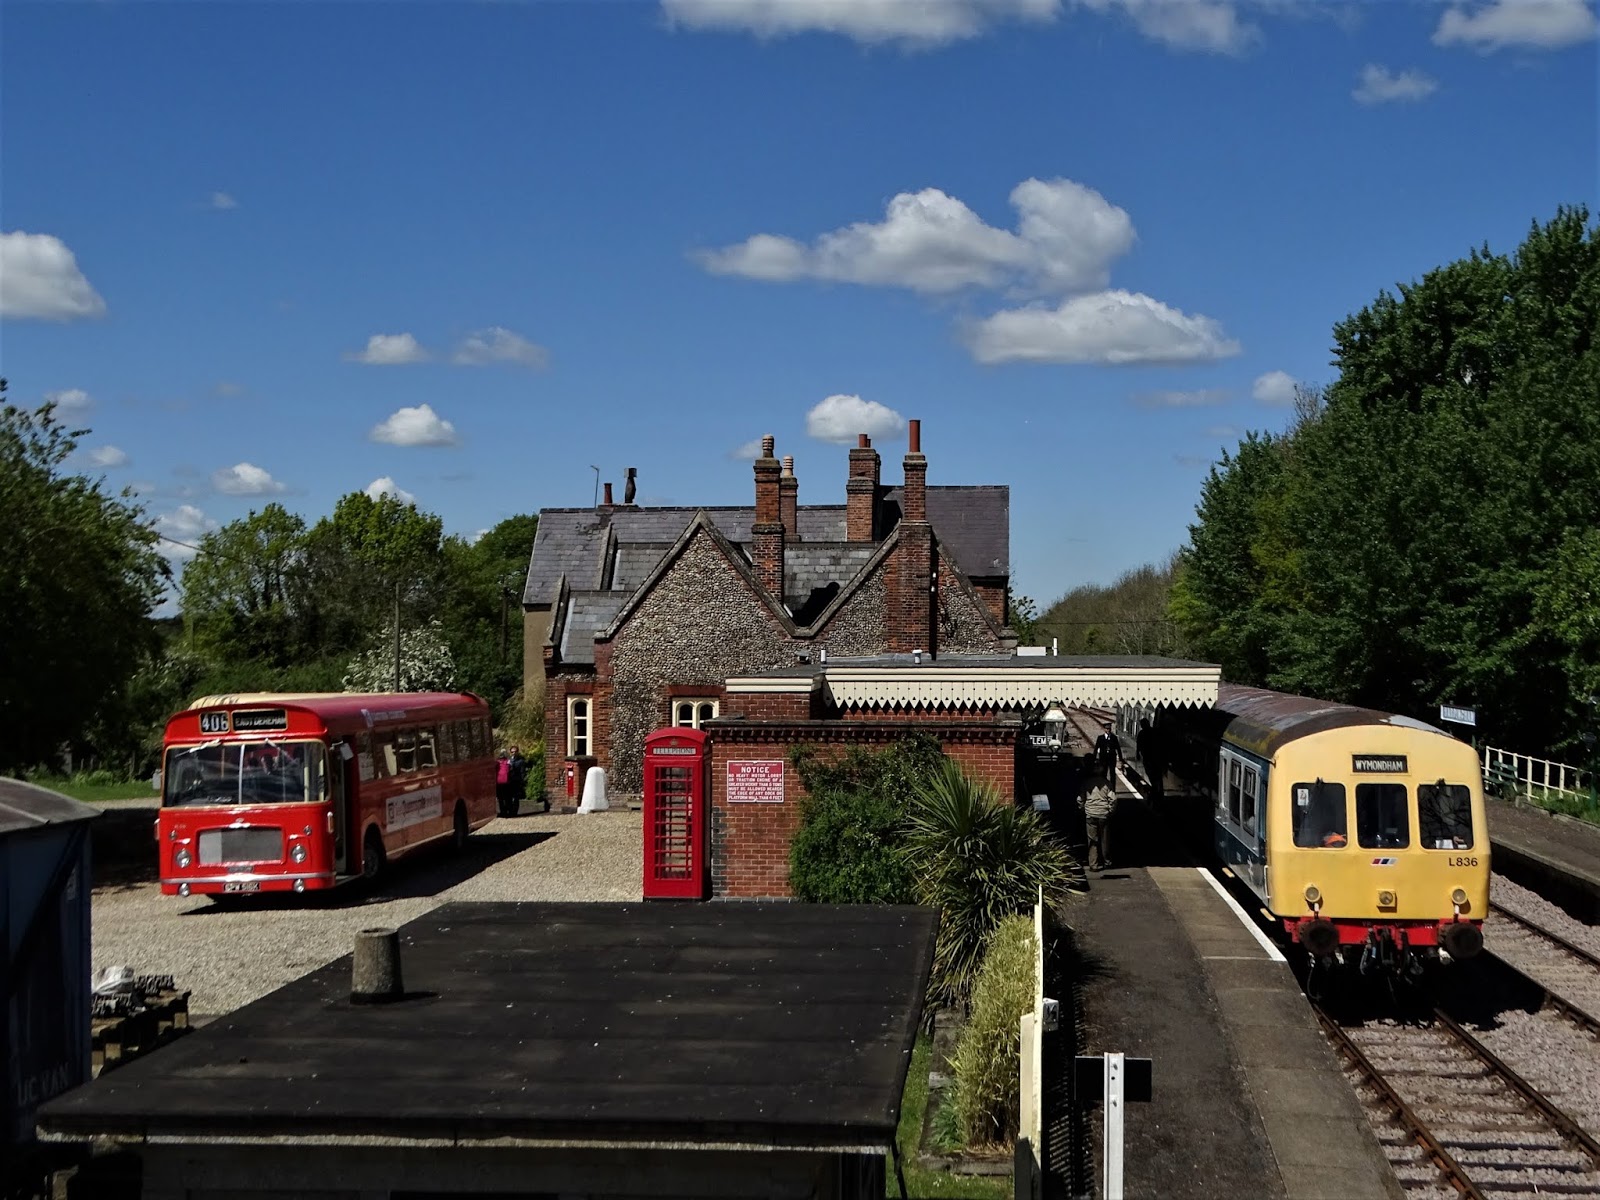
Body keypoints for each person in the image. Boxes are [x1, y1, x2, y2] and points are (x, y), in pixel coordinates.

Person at [1080, 766, 1118, 873]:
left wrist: (1083, 808)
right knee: (1105, 839)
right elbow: (1113, 799)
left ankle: (1093, 864)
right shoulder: (1107, 783)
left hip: (1090, 814)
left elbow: (1080, 799)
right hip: (1103, 814)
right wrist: (1110, 810)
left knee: (1092, 840)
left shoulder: (1086, 783)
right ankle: (1107, 862)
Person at [1136, 717, 1165, 802]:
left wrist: (1138, 754)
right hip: (1156, 758)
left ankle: (1155, 791)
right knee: (1158, 775)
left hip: (1148, 758)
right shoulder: (1155, 732)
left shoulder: (1141, 733)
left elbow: (1139, 745)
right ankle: (1159, 792)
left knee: (1151, 775)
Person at [506, 745, 527, 817]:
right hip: (508, 781)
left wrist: (522, 780)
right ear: (510, 752)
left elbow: (522, 772)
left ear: (517, 752)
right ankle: (509, 810)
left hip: (517, 781)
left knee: (516, 798)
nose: (513, 753)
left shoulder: (521, 761)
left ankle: (514, 812)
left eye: (515, 752)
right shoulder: (508, 760)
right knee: (508, 797)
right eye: (512, 752)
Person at [495, 750, 513, 817]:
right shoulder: (508, 762)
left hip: (498, 782)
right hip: (507, 782)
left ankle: (503, 812)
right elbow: (511, 770)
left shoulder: (496, 762)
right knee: (508, 798)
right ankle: (509, 811)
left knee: (500, 798)